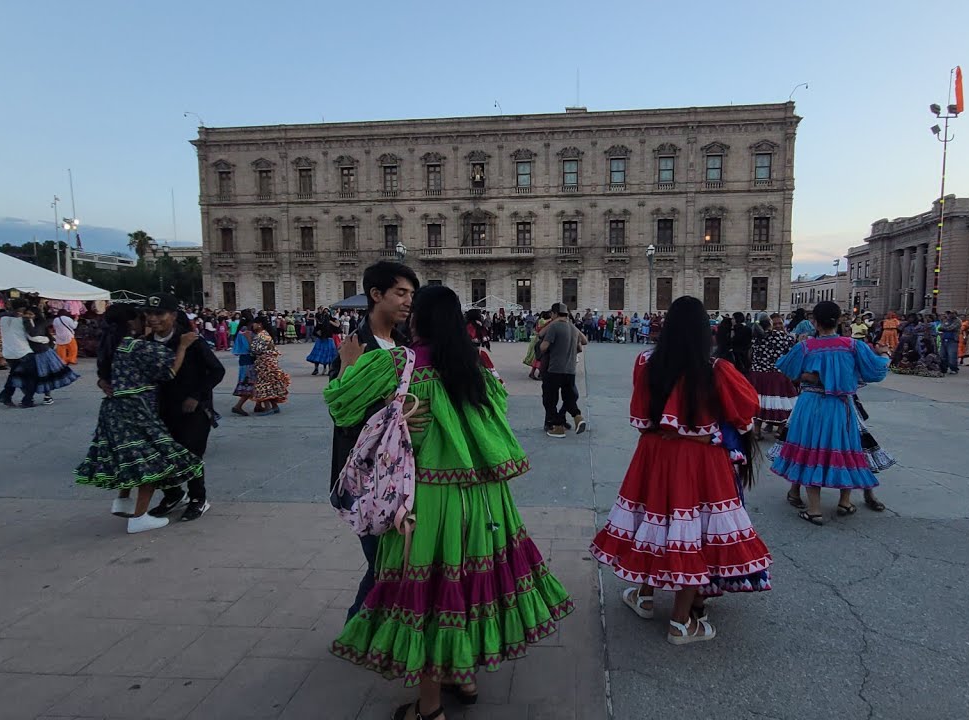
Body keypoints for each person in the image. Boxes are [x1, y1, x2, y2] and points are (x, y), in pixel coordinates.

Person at [326, 285, 571, 719]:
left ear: (418, 320)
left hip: (429, 502)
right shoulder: (475, 364)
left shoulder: (397, 363)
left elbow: (342, 408)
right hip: (485, 499)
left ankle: (430, 708)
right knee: (468, 587)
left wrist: (347, 364)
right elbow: (496, 414)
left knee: (431, 598)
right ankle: (464, 675)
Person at [592, 296, 772, 646]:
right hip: (700, 459)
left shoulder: (646, 362)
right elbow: (746, 409)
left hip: (654, 453)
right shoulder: (716, 369)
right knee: (691, 532)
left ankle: (644, 596)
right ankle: (680, 622)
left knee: (654, 521)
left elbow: (643, 416)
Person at [331, 261, 419, 622]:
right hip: (365, 475)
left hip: (400, 472)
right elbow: (341, 414)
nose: (408, 301)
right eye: (401, 293)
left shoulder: (406, 343)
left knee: (391, 561)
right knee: (381, 562)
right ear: (376, 294)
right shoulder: (356, 345)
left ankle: (370, 627)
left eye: (411, 294)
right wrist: (385, 404)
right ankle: (356, 626)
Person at [76, 304, 204, 534]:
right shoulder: (136, 346)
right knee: (150, 461)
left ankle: (123, 500)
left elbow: (105, 377)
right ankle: (139, 518)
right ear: (130, 323)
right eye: (141, 318)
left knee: (127, 457)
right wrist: (183, 346)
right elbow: (169, 371)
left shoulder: (109, 345)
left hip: (112, 409)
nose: (147, 321)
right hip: (136, 409)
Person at [770, 301, 889, 524]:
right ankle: (844, 501)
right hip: (840, 405)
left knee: (810, 450)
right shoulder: (853, 346)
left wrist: (806, 375)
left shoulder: (806, 347)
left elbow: (785, 367)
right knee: (844, 449)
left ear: (814, 322)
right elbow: (875, 371)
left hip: (810, 404)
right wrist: (885, 355)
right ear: (839, 320)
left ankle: (814, 509)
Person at [144, 293, 225, 522]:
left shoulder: (191, 341)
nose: (153, 318)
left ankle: (198, 498)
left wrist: (197, 396)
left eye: (159, 313)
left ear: (173, 315)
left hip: (193, 410)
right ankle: (173, 495)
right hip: (161, 409)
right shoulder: (146, 343)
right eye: (149, 313)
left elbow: (217, 370)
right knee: (161, 454)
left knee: (191, 453)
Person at [541, 302, 588, 438]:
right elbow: (584, 342)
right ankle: (578, 417)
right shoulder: (573, 328)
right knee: (568, 398)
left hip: (555, 368)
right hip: (570, 370)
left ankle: (558, 427)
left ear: (555, 314)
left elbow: (543, 347)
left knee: (550, 399)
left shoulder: (554, 326)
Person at [750, 313, 798, 432]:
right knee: (782, 403)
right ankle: (780, 430)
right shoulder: (784, 338)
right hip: (777, 375)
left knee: (759, 402)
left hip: (757, 375)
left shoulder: (755, 337)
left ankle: (756, 431)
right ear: (770, 323)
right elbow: (791, 356)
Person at [26, 306, 79, 405]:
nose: (28, 316)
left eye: (30, 314)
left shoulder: (41, 323)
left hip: (43, 352)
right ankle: (30, 397)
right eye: (27, 314)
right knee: (32, 376)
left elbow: (34, 334)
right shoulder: (28, 322)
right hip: (33, 352)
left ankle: (46, 396)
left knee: (44, 374)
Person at [249, 315, 289, 415]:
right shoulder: (266, 334)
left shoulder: (261, 335)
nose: (253, 325)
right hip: (269, 362)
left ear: (259, 324)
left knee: (263, 384)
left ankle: (268, 408)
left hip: (264, 362)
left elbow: (256, 350)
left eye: (255, 323)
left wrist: (249, 341)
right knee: (270, 384)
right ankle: (274, 406)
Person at [230, 316, 257, 416]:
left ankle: (258, 405)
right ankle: (238, 406)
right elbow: (249, 348)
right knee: (249, 383)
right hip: (248, 359)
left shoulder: (240, 331)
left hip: (243, 359)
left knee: (253, 383)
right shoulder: (246, 332)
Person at [307, 310, 339, 375]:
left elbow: (337, 325)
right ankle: (316, 369)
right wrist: (319, 333)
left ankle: (330, 369)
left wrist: (330, 321)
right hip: (321, 339)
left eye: (327, 312)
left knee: (329, 355)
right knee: (318, 354)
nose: (326, 313)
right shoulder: (321, 320)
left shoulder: (333, 319)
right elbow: (316, 329)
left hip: (329, 339)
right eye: (325, 312)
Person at [938, 310, 961, 375]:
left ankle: (953, 369)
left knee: (952, 355)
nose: (950, 314)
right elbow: (940, 327)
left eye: (952, 313)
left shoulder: (957, 321)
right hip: (944, 339)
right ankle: (943, 368)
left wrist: (944, 328)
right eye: (949, 313)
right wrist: (943, 328)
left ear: (955, 314)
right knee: (942, 355)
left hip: (953, 340)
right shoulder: (945, 320)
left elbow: (951, 328)